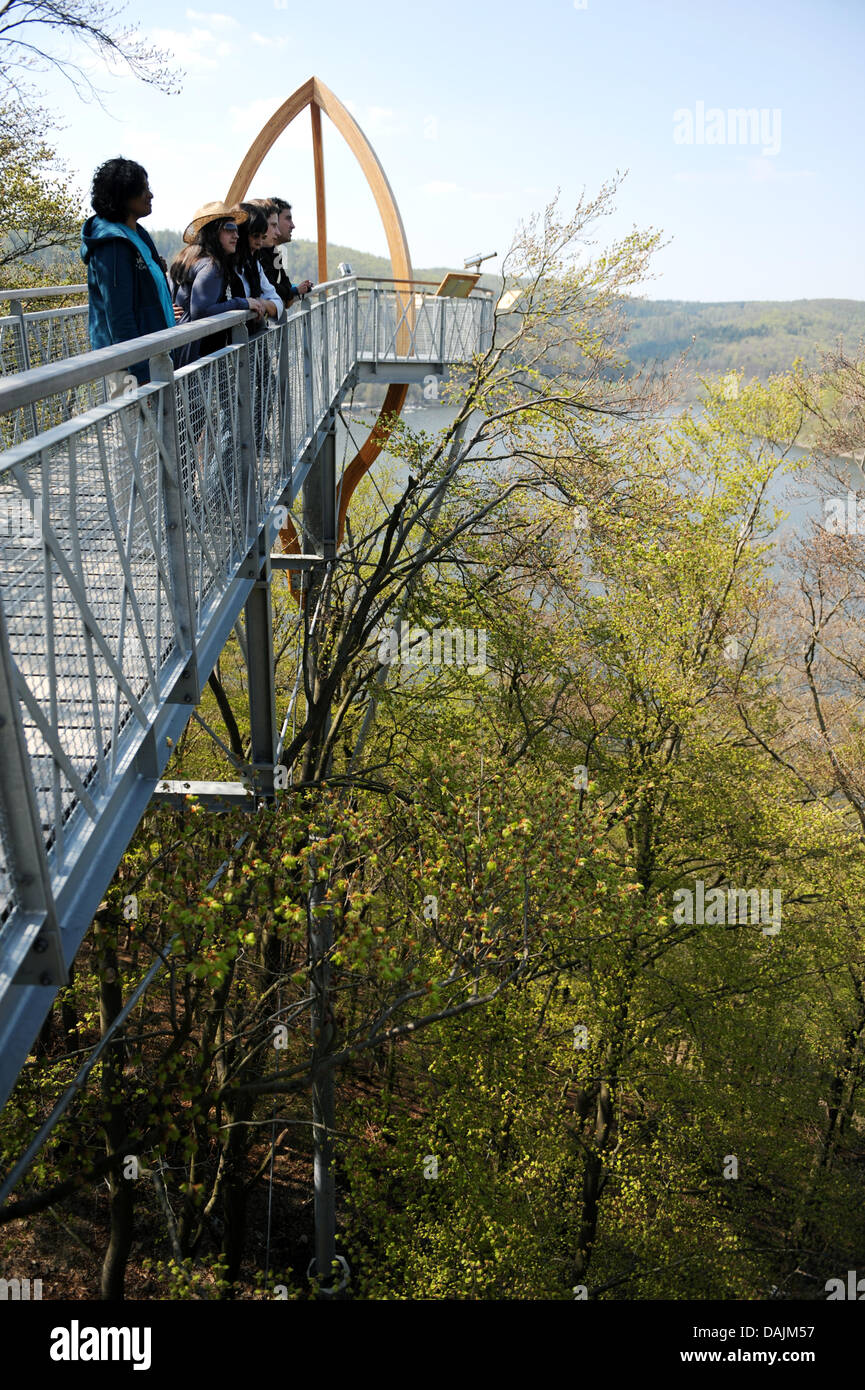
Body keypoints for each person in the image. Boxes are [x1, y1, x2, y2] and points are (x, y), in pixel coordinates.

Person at [80, 157, 177, 391]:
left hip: (153, 353)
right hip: (132, 366)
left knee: (162, 426)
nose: (150, 195)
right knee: (141, 427)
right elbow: (119, 315)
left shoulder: (137, 235)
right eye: (143, 189)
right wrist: (141, 372)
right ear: (123, 194)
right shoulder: (112, 244)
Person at [168, 202, 268, 368]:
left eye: (236, 229)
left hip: (178, 351)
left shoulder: (186, 258)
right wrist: (243, 303)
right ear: (212, 232)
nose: (236, 235)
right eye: (229, 228)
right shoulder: (211, 265)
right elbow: (201, 311)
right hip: (197, 356)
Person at [254, 197, 314, 310]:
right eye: (288, 219)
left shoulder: (274, 252)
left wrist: (291, 291)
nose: (293, 225)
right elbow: (271, 287)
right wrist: (293, 291)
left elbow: (284, 281)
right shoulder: (259, 253)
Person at [232, 202, 283, 331]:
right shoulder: (223, 266)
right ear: (242, 234)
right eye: (255, 236)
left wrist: (263, 304)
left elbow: (278, 301)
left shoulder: (255, 265)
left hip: (251, 343)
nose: (259, 243)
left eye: (263, 237)